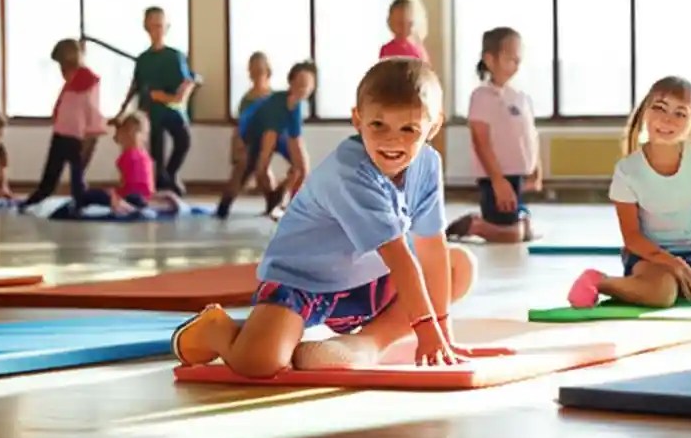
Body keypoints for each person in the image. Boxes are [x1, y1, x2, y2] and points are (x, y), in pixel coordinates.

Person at [171, 58, 513, 378]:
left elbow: (432, 248)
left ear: (433, 127)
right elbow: (400, 259)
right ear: (357, 119)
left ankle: (367, 344)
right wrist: (425, 331)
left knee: (458, 266)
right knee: (261, 361)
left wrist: (442, 335)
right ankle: (218, 329)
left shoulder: (428, 164)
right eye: (378, 125)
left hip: (368, 281)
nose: (392, 140)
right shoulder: (351, 173)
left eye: (409, 129)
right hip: (303, 281)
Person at [567, 76, 691, 309]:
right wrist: (673, 264)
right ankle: (600, 281)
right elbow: (632, 238)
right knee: (662, 292)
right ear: (645, 111)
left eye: (680, 113)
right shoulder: (628, 170)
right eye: (660, 108)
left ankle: (687, 286)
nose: (667, 119)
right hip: (652, 259)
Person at [445, 27, 540, 243]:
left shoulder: (519, 96)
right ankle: (474, 225)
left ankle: (517, 219)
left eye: (518, 59)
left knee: (525, 233)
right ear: (490, 59)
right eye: (510, 59)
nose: (516, 64)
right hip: (496, 176)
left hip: (517, 175)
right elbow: (481, 141)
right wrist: (498, 181)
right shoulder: (482, 96)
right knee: (513, 236)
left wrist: (536, 169)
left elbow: (531, 134)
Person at [216, 61, 316, 219]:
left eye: (308, 84)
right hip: (253, 134)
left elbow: (295, 141)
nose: (304, 88)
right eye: (300, 83)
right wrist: (260, 166)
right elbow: (267, 142)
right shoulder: (275, 104)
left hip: (276, 135)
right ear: (291, 83)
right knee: (249, 170)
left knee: (301, 168)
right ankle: (224, 208)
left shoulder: (296, 105)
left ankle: (287, 206)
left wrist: (301, 170)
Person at [115, 6, 199, 195]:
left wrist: (173, 96)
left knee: (183, 141)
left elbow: (188, 81)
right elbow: (135, 86)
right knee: (156, 151)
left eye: (160, 26)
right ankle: (160, 183)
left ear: (166, 27)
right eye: (153, 26)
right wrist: (122, 111)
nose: (157, 30)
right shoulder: (143, 59)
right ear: (147, 27)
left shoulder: (175, 56)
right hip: (151, 112)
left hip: (173, 110)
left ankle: (170, 175)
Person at [21, 38, 108, 211]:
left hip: (77, 138)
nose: (60, 70)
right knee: (50, 179)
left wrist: (91, 137)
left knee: (78, 187)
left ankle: (108, 199)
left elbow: (92, 111)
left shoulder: (88, 82)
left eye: (62, 65)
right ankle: (34, 200)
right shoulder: (70, 84)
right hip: (61, 135)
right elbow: (64, 109)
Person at [74, 113, 184, 216]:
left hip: (134, 199)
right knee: (107, 193)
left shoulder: (128, 156)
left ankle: (124, 206)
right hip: (142, 198)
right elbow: (143, 185)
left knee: (92, 194)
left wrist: (114, 196)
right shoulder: (145, 156)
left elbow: (127, 186)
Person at [378, 0, 430, 64]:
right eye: (400, 23)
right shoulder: (386, 50)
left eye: (409, 24)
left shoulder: (417, 51)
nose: (404, 28)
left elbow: (424, 70)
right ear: (390, 23)